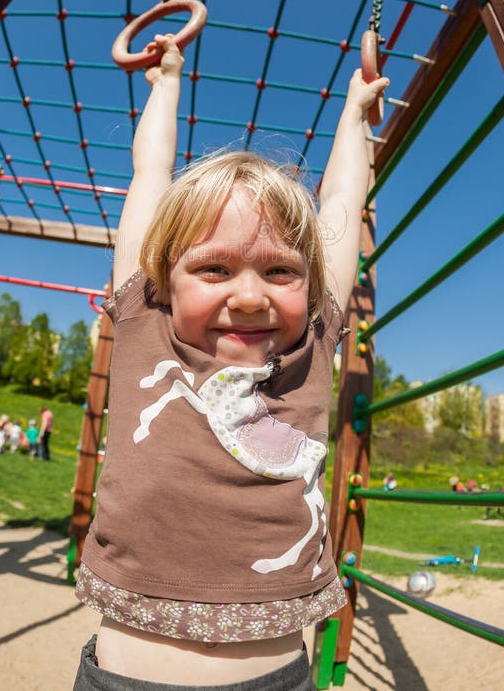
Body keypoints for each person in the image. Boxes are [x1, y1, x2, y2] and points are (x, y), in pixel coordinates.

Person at [73, 35, 389, 691]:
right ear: (165, 272)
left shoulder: (311, 346)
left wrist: (356, 116)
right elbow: (149, 177)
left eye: (279, 270)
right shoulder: (144, 322)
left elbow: (340, 206)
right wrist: (165, 81)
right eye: (214, 268)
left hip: (277, 679)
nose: (249, 296)